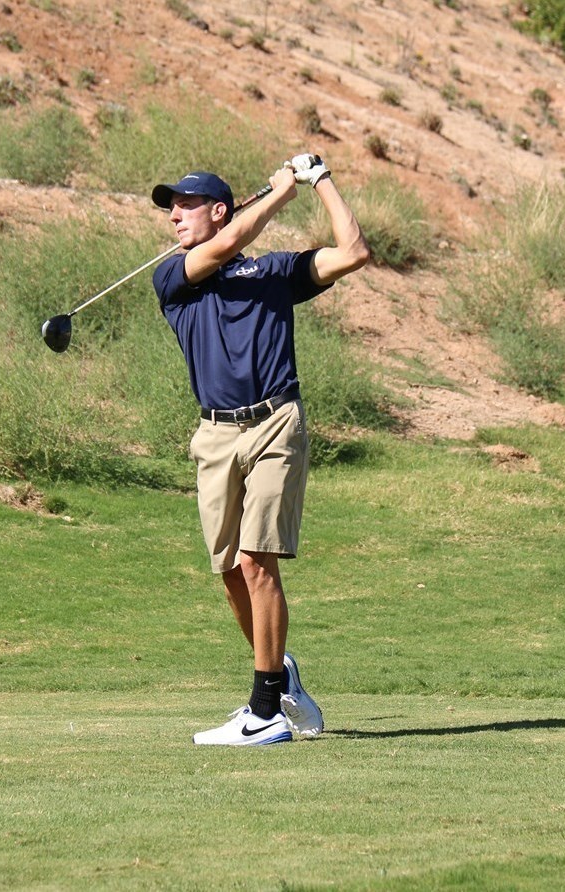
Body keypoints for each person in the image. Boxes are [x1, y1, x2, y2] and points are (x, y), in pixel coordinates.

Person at [149, 155, 370, 746]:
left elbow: (353, 252)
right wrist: (280, 194)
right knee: (229, 573)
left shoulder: (272, 272)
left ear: (219, 209)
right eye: (171, 208)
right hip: (214, 436)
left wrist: (320, 181)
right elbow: (225, 247)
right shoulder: (173, 278)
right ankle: (279, 670)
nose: (174, 216)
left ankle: (265, 709)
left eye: (186, 205)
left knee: (256, 561)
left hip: (275, 423)